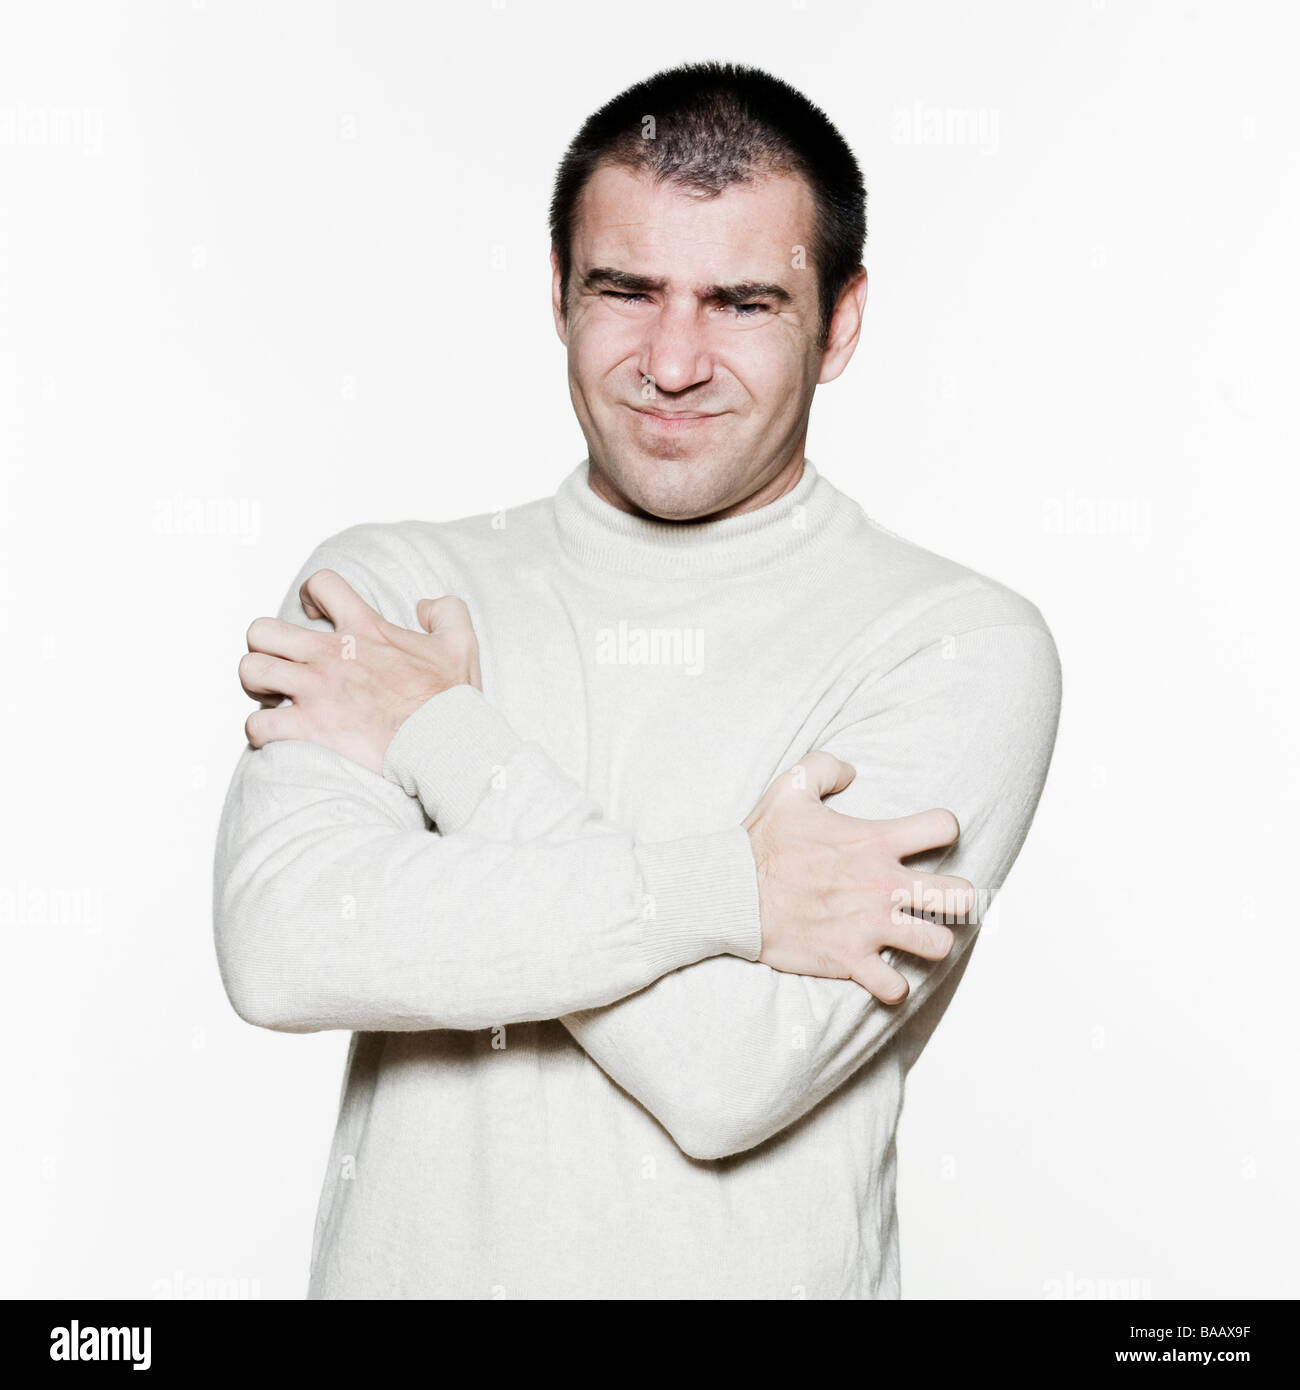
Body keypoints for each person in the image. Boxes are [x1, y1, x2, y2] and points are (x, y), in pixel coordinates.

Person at [214, 61, 1062, 1299]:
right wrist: (735, 887)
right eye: (626, 290)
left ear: (840, 322)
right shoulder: (383, 592)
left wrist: (447, 739)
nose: (672, 363)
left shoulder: (951, 645)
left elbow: (726, 1078)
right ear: (556, 293)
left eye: (740, 303)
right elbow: (288, 947)